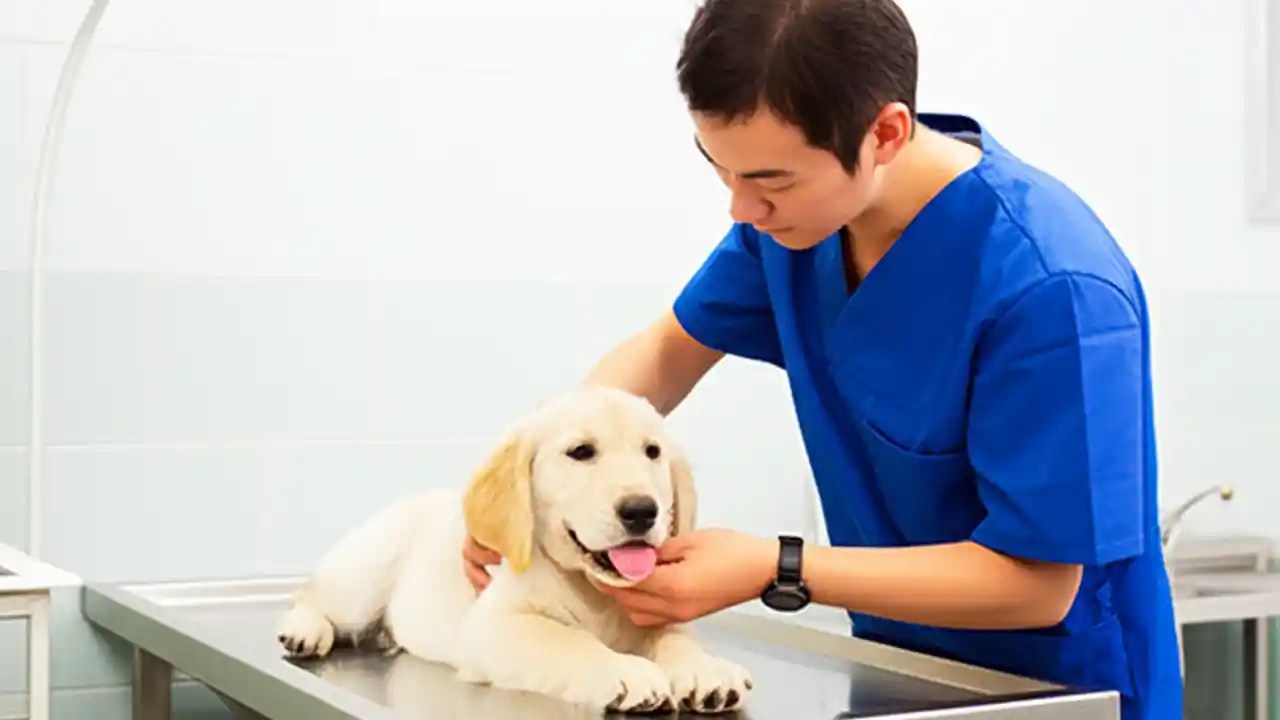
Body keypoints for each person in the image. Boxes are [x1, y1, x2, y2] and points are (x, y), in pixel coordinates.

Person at [462, 0, 1182, 717]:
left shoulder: (1052, 290)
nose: (742, 212)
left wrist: (773, 567)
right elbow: (667, 351)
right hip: (900, 673)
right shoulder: (796, 231)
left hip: (1061, 692)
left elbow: (1037, 583)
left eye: (770, 181)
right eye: (721, 172)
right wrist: (528, 490)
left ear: (886, 133)